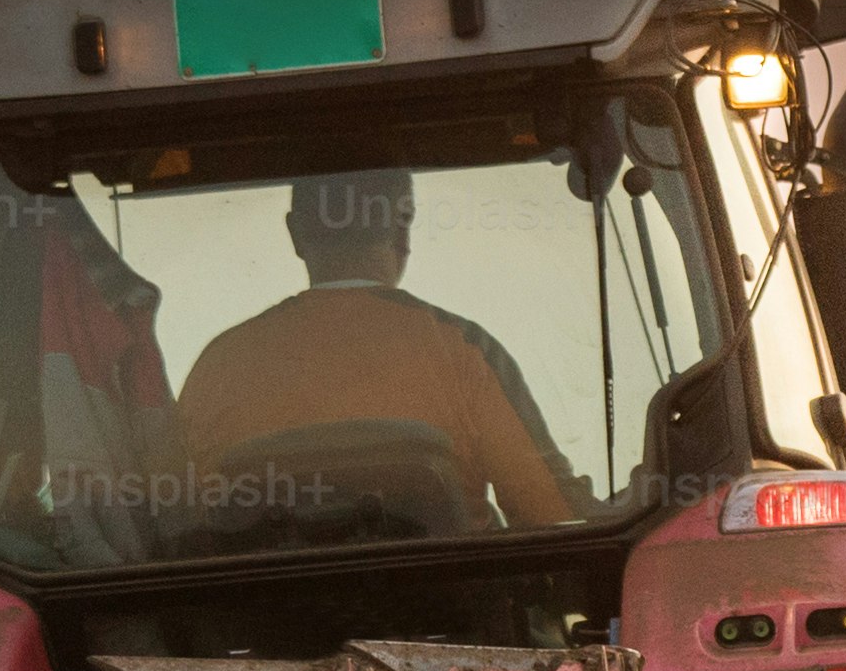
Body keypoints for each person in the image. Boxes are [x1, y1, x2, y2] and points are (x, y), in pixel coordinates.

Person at [172, 171, 583, 532]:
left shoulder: (218, 366)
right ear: (402, 232)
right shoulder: (463, 348)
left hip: (265, 620)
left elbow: (179, 526)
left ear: (296, 234)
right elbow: (551, 517)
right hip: (453, 616)